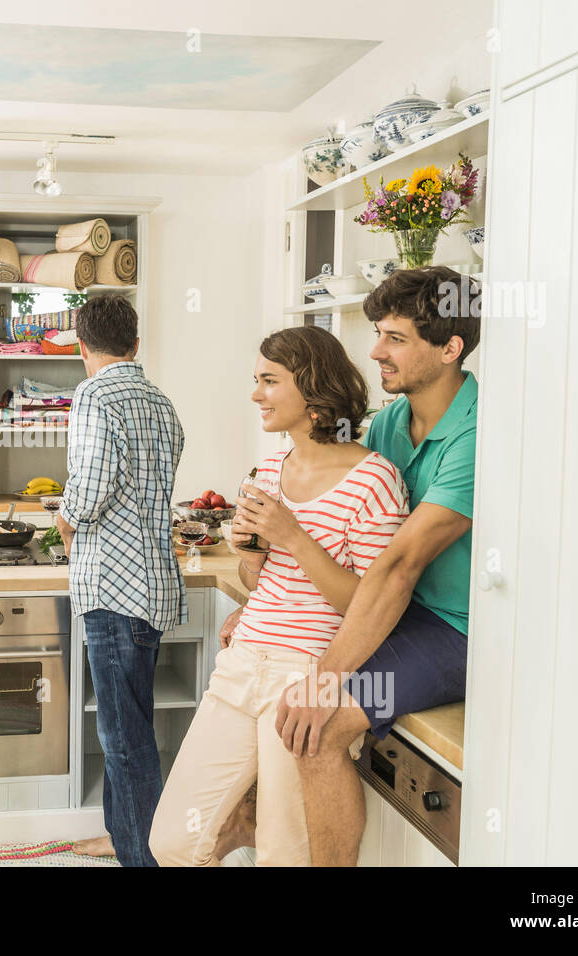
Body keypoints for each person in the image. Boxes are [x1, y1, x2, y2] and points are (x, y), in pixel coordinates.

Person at [149, 326, 409, 865]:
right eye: (256, 380)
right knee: (173, 840)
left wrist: (292, 535)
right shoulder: (271, 468)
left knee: (284, 855)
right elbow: (260, 580)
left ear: (313, 390)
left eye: (269, 380)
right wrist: (251, 553)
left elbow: (367, 604)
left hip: (305, 676)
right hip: (242, 664)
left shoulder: (375, 480)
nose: (255, 394)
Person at [272, 266, 480, 865]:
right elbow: (329, 472)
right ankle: (249, 830)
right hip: (397, 615)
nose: (375, 351)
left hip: (451, 632)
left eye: (394, 338)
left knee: (319, 727)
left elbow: (398, 566)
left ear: (450, 349)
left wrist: (326, 676)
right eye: (378, 333)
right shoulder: (389, 423)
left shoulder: (479, 433)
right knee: (277, 675)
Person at [55, 294, 186, 867]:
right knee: (130, 726)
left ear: (82, 346)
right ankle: (124, 839)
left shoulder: (93, 394)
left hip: (111, 586)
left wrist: (64, 523)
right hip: (152, 584)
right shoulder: (160, 401)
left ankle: (142, 857)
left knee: (123, 739)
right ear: (136, 343)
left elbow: (90, 483)